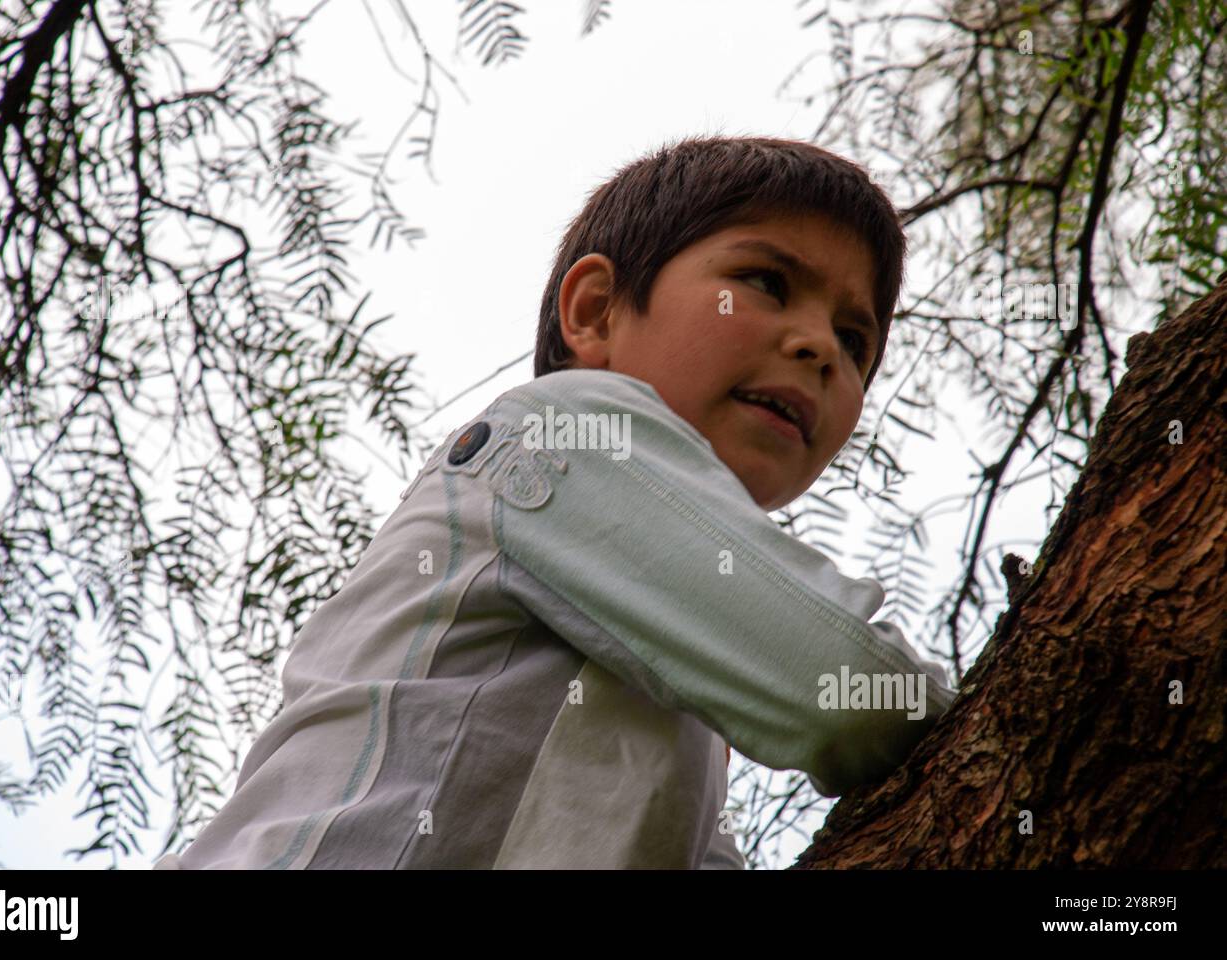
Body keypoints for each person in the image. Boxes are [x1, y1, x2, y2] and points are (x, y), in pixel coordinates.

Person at [153, 134, 957, 870]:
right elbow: (854, 691)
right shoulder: (558, 433)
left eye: (856, 342)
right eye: (765, 282)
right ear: (595, 311)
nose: (820, 347)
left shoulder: (692, 688)